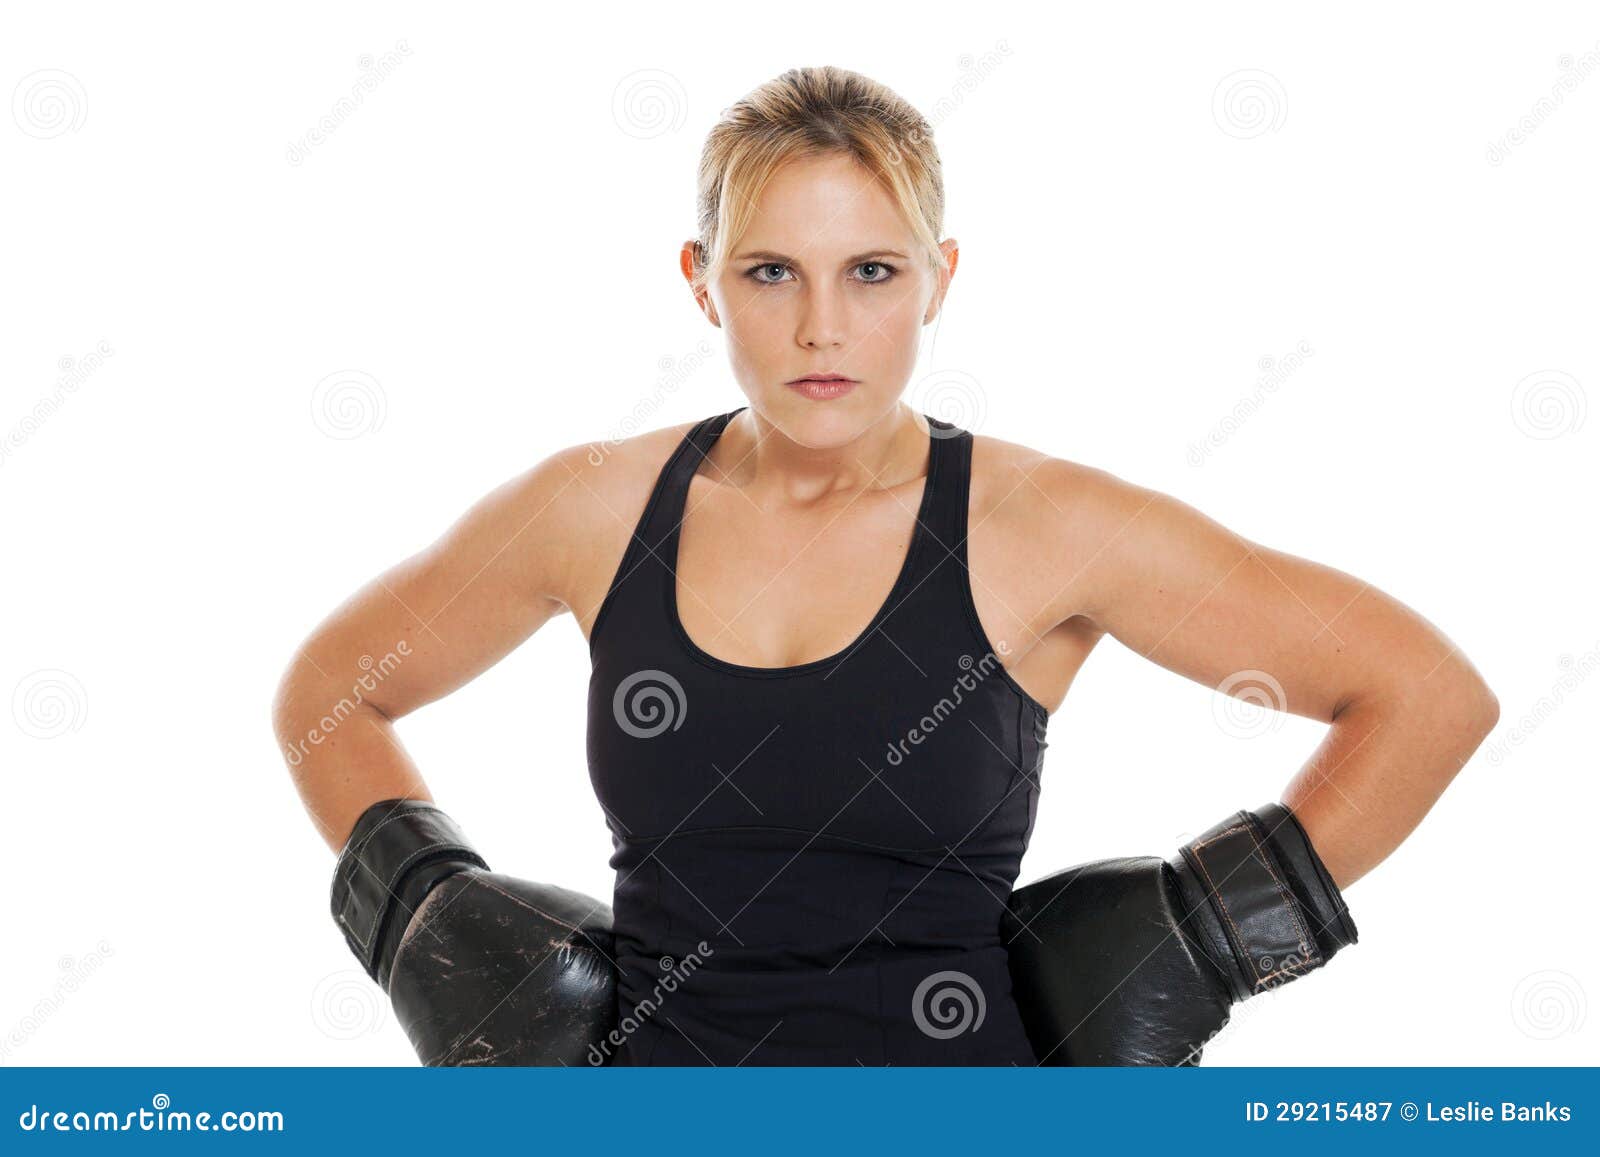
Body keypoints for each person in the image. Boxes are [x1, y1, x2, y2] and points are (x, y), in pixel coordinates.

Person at [273, 65, 1498, 1066]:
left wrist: (1206, 936)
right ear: (701, 282)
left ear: (937, 279)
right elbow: (331, 695)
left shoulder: (1044, 524)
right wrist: (436, 919)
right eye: (770, 272)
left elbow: (1425, 695)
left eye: (872, 271)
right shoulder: (592, 509)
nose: (822, 327)